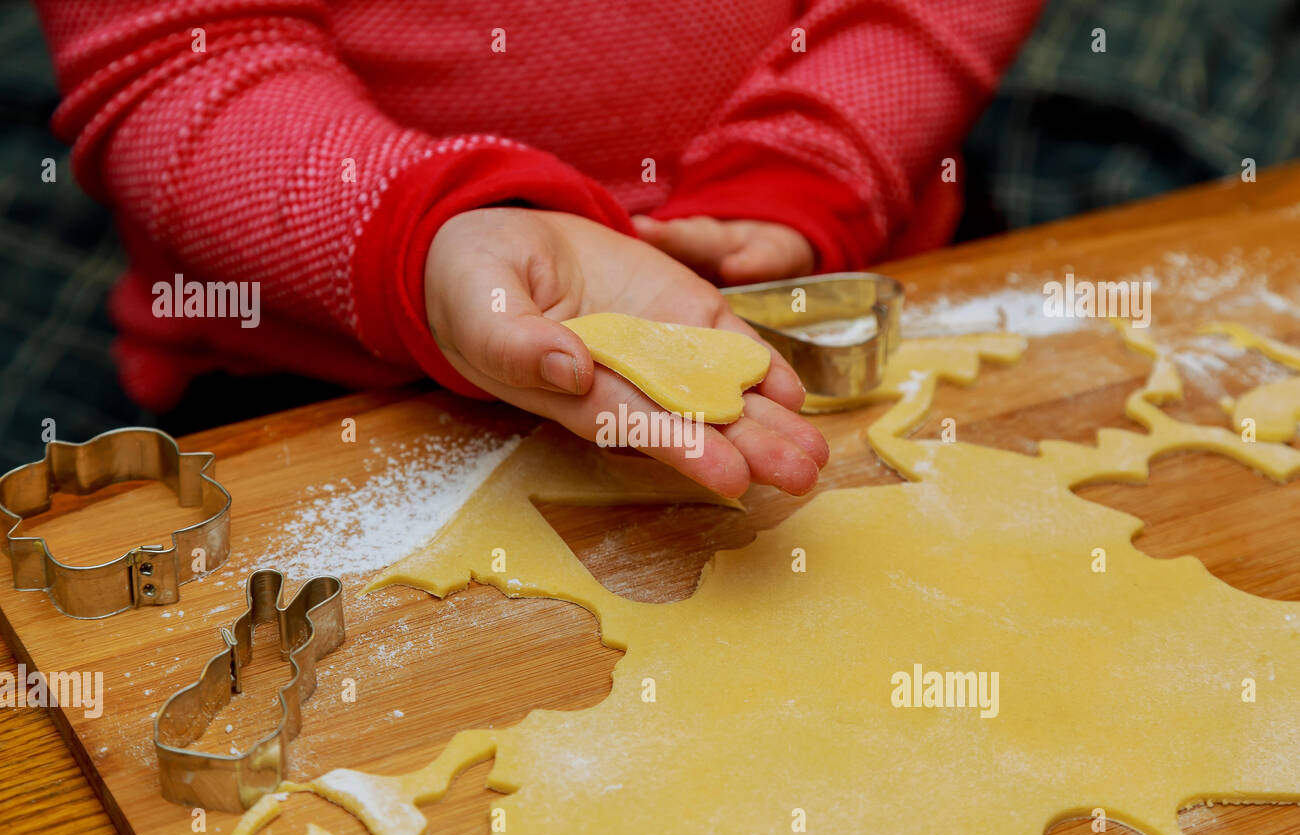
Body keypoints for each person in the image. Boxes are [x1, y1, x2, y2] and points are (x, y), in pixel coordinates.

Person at [33, 0, 1043, 497]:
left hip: (834, 256)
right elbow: (177, 59)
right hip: (328, 335)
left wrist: (824, 150)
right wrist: (422, 229)